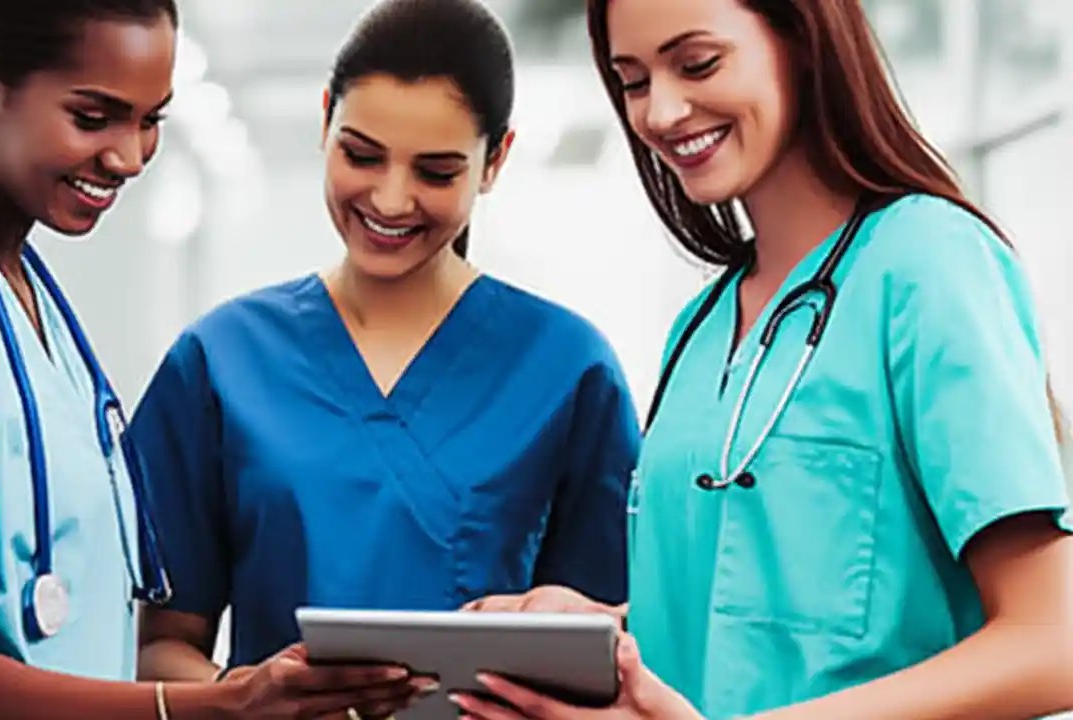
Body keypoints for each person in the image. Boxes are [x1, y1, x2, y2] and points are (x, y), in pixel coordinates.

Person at [0, 1, 423, 718]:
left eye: (150, 119)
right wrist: (221, 707)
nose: (128, 157)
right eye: (94, 117)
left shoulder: (22, 296)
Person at [454, 0, 1073, 719]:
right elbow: (758, 617)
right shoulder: (701, 328)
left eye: (697, 64)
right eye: (633, 81)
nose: (661, 111)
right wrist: (602, 626)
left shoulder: (929, 265)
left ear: (803, 42)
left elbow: (1053, 641)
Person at [130, 0, 639, 701]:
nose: (391, 200)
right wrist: (255, 700)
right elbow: (159, 647)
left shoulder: (567, 369)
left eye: (435, 172)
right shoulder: (220, 361)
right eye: (362, 156)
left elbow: (608, 653)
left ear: (495, 162)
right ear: (324, 123)